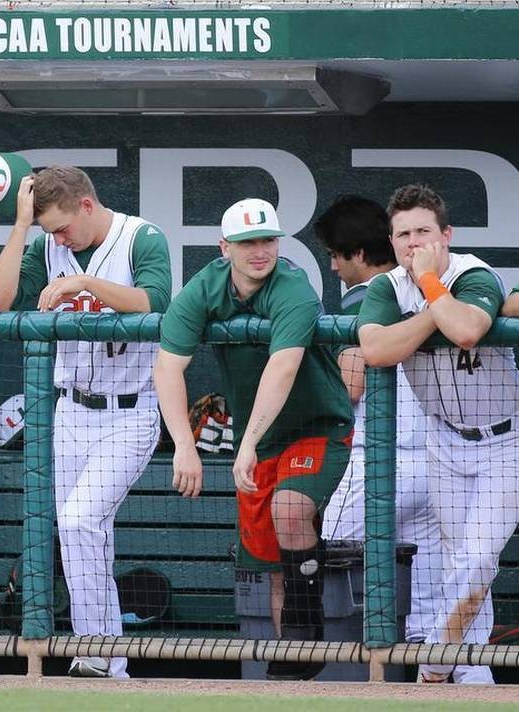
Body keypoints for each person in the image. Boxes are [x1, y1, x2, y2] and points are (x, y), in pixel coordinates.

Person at [0, 159, 171, 679]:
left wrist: (85, 282)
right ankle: (109, 663)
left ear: (86, 204)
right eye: (48, 230)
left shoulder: (139, 238)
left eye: (61, 226)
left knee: (81, 520)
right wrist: (22, 227)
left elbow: (158, 304)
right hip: (70, 409)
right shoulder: (45, 245)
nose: (58, 237)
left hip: (129, 410)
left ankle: (97, 652)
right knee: (78, 530)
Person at [154, 198, 353, 681]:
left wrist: (244, 444)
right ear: (225, 248)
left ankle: (307, 644)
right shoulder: (203, 288)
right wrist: (184, 444)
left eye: (267, 239)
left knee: (290, 511)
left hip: (316, 426)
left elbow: (282, 368)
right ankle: (291, 670)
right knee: (272, 562)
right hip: (261, 440)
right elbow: (168, 366)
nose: (259, 250)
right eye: (247, 242)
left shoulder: (294, 287)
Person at [357, 184, 519, 684]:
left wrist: (430, 281)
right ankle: (475, 679)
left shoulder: (471, 272)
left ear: (445, 235)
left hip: (504, 441)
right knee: (461, 563)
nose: (413, 242)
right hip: (443, 441)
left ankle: (438, 658)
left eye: (423, 231)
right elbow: (378, 350)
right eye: (403, 234)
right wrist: (433, 311)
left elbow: (468, 329)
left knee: (475, 558)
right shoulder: (387, 289)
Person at [313, 195, 478, 676]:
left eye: (337, 255)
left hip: (381, 464)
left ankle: (344, 676)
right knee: (429, 598)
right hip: (437, 462)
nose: (334, 266)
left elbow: (353, 384)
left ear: (360, 254)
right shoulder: (439, 291)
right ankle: (439, 686)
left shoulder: (373, 297)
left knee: (330, 556)